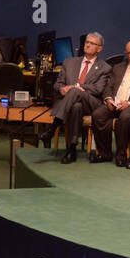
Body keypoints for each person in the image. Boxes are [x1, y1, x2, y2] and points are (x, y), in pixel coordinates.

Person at [48, 32, 112, 164]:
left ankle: (53, 127)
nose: (87, 45)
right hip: (73, 105)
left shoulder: (105, 68)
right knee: (76, 106)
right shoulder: (69, 62)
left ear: (99, 48)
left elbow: (98, 89)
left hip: (92, 104)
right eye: (86, 42)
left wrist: (75, 87)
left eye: (92, 43)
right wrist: (62, 89)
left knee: (75, 91)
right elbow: (58, 84)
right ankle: (72, 148)